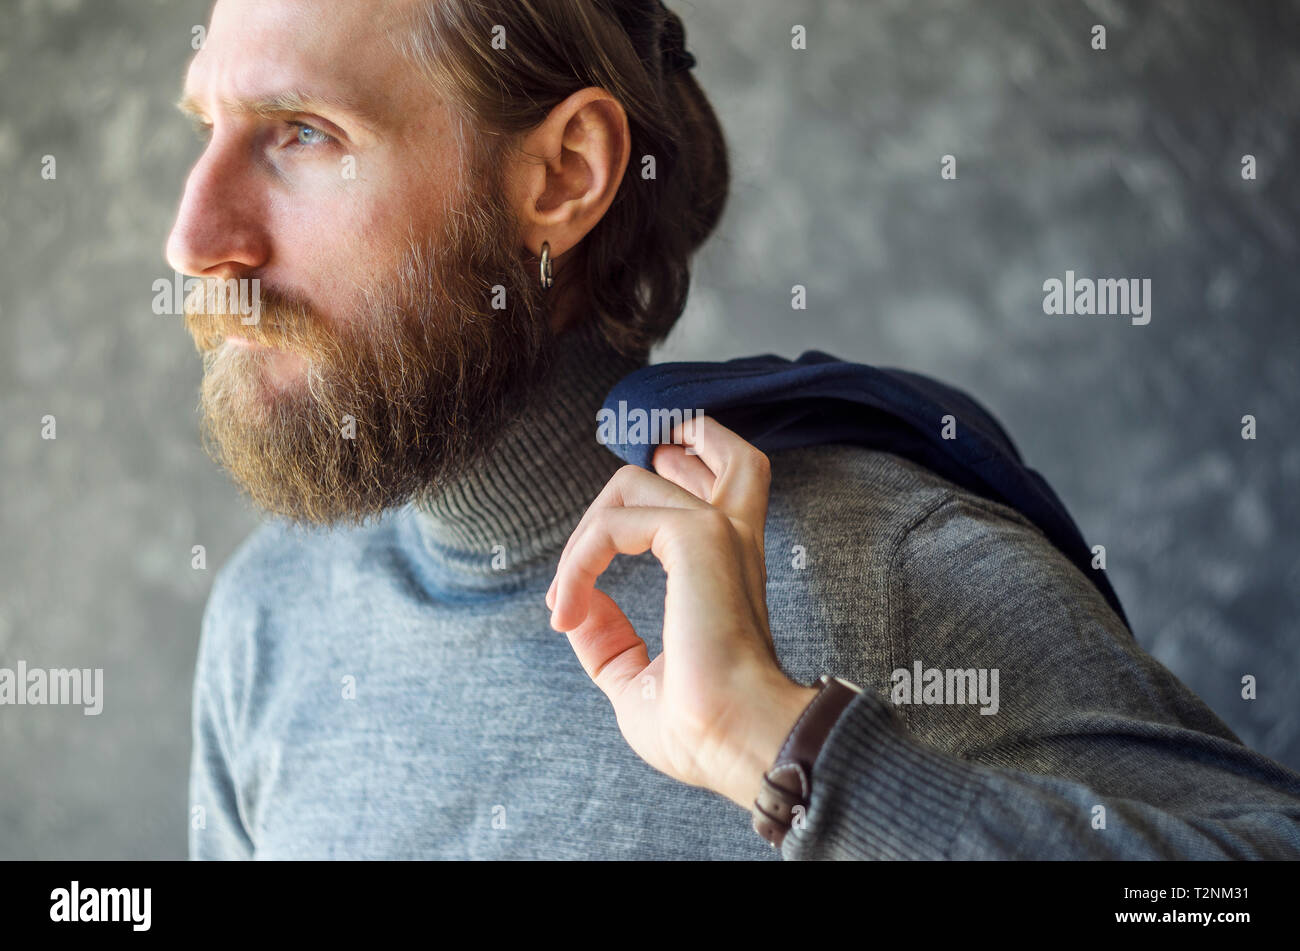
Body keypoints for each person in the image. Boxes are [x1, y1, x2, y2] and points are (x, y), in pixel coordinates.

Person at [174, 0, 1300, 859]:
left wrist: (792, 751)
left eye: (303, 134)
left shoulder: (879, 565)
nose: (193, 238)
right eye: (207, 129)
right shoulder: (269, 620)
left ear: (563, 175)